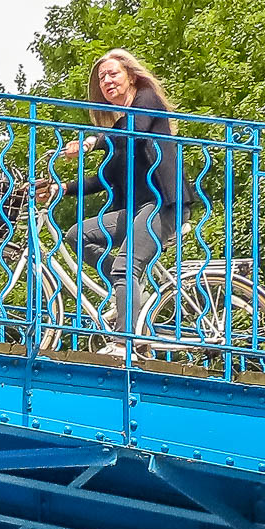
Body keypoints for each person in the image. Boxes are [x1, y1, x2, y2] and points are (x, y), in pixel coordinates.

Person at [34, 48, 187, 352]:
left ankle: (124, 340)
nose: (106, 81)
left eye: (113, 73)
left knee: (124, 267)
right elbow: (105, 180)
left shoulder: (147, 102)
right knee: (78, 236)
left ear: (131, 76)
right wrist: (62, 188)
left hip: (162, 205)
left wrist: (92, 141)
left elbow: (137, 131)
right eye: (102, 78)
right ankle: (131, 299)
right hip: (135, 210)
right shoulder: (118, 129)